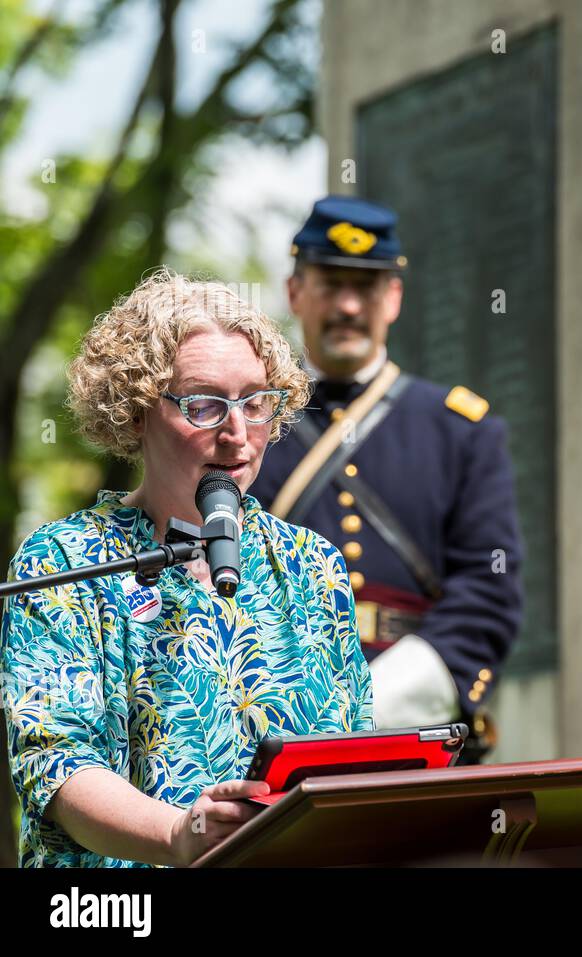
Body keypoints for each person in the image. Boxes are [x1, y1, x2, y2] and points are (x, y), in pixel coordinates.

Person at [1, 270, 372, 867]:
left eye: (255, 403)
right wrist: (180, 835)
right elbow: (57, 765)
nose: (236, 435)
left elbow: (347, 764)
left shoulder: (313, 566)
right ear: (135, 409)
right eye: (203, 404)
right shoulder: (63, 561)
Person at [248, 196, 523, 751]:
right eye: (330, 284)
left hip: (416, 722)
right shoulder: (248, 423)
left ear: (393, 298)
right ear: (294, 292)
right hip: (266, 717)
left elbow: (488, 592)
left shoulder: (463, 430)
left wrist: (382, 706)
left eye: (367, 287)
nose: (349, 306)